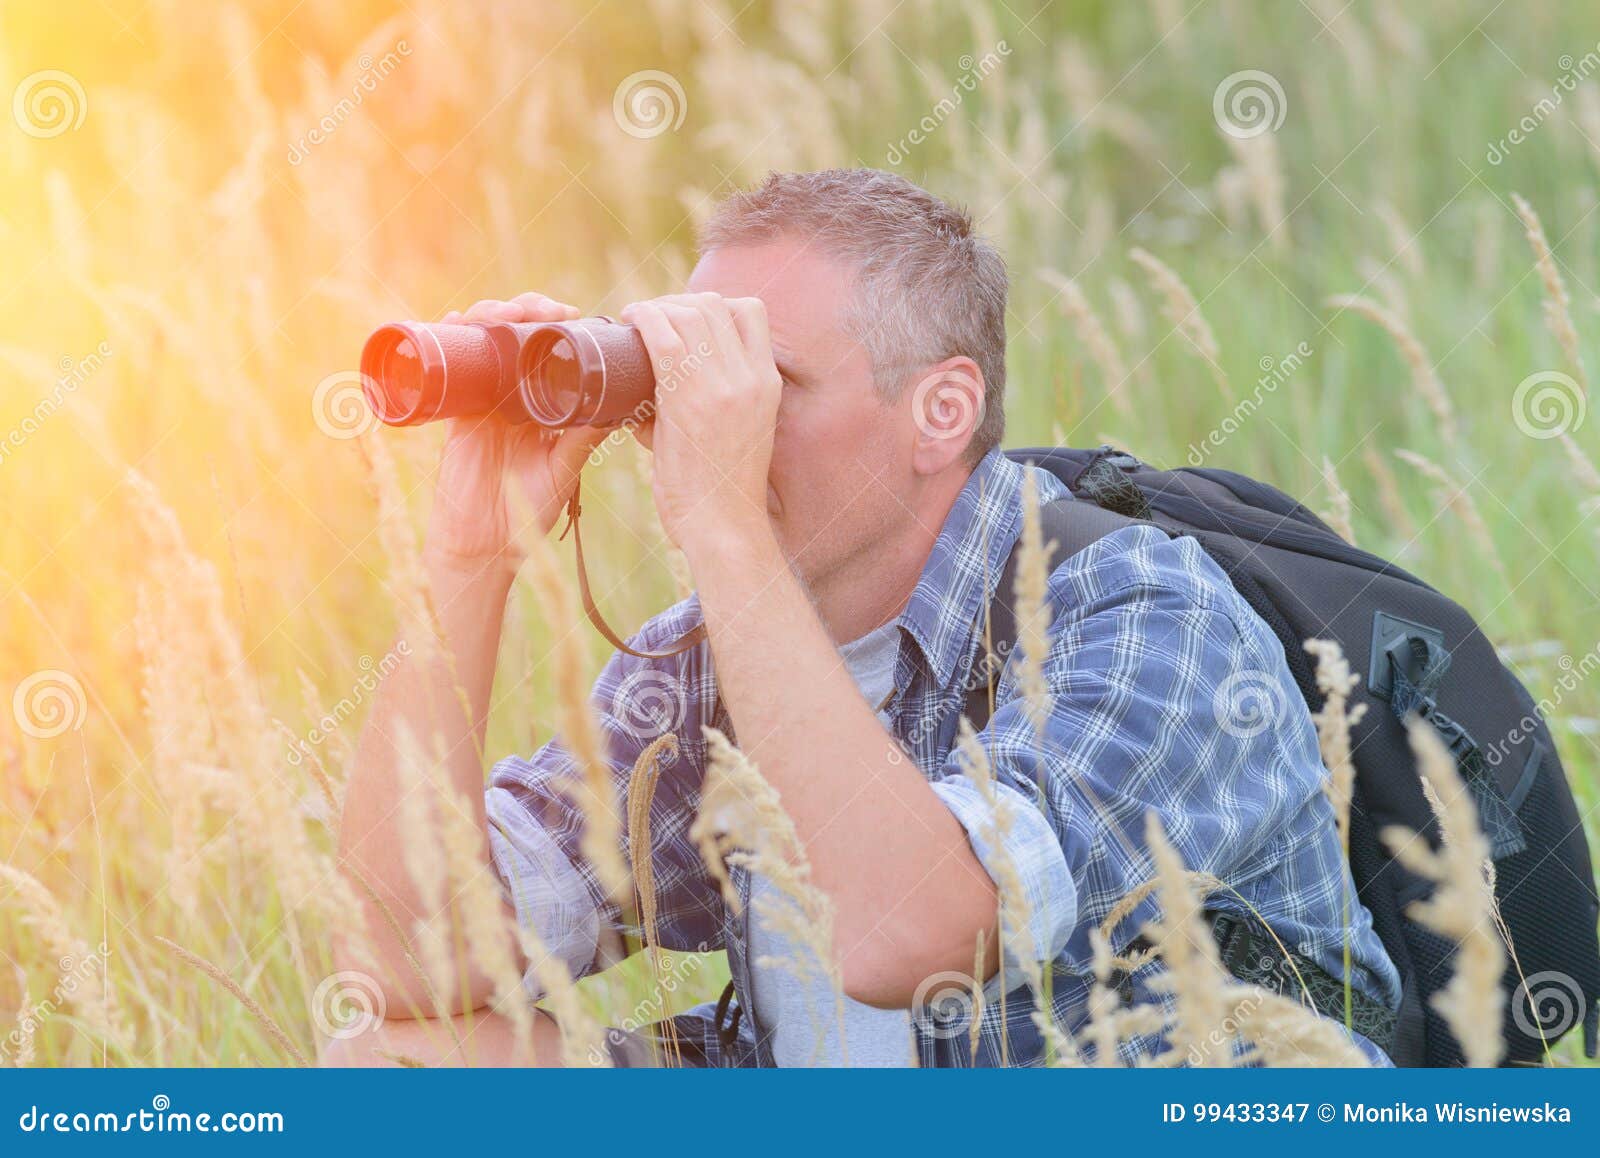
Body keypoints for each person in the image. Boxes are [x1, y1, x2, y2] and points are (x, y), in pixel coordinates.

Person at [327, 168, 1399, 1067]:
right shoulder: (703, 659)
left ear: (943, 411)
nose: (705, 429)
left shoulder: (1141, 612)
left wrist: (725, 529)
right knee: (391, 1062)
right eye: (689, 386)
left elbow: (912, 938)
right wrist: (468, 560)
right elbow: (403, 963)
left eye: (763, 385)